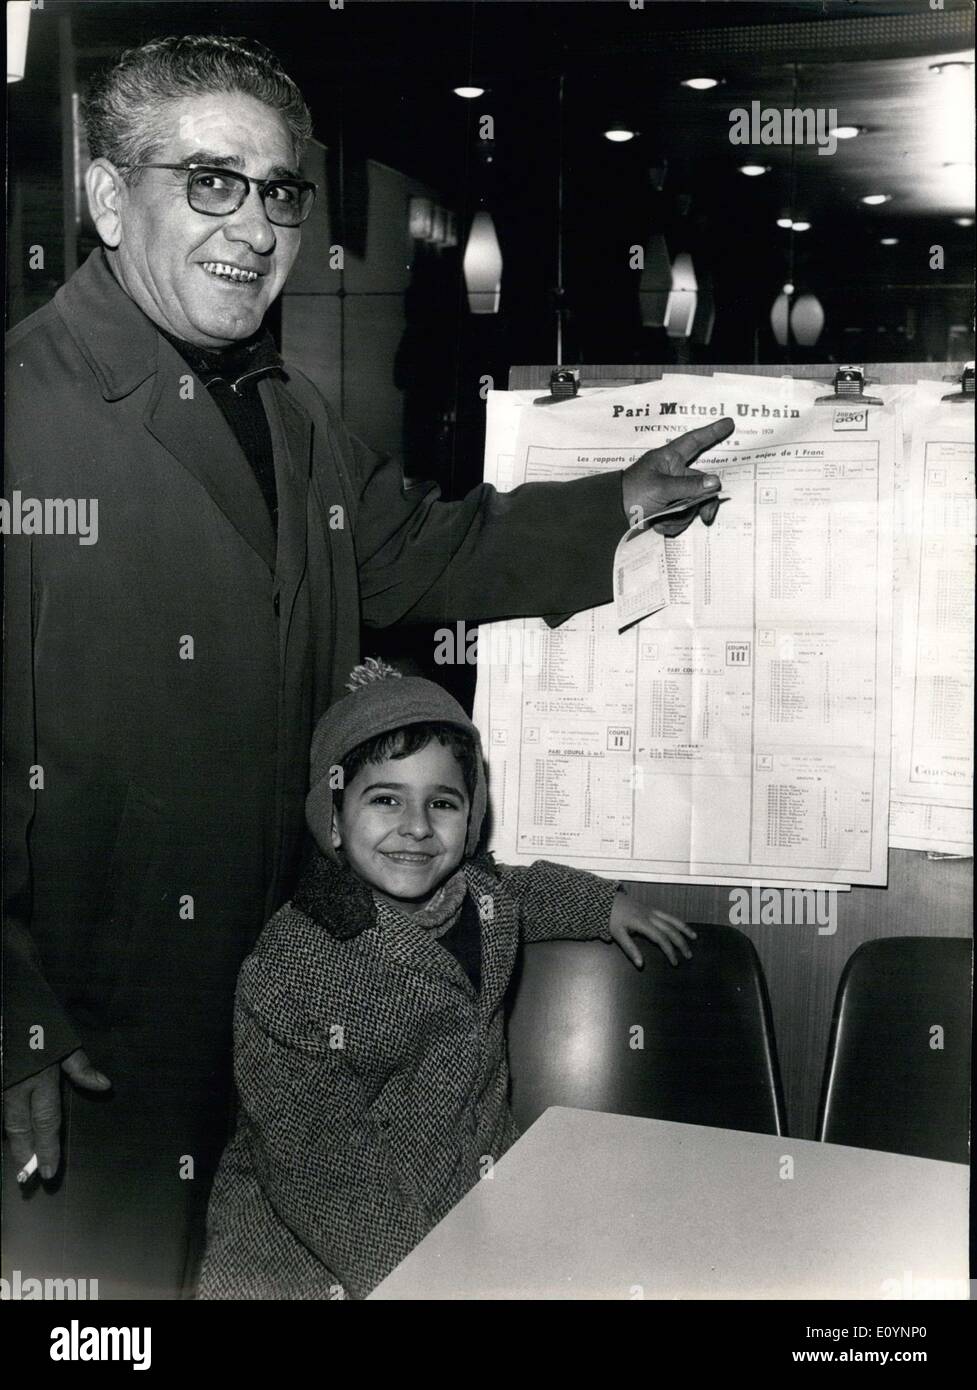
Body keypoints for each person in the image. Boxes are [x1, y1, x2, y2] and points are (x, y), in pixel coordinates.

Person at [2, 33, 731, 1299]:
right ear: (109, 198)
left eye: (281, 190)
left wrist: (614, 499)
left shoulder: (283, 412)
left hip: (267, 1018)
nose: (255, 224)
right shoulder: (26, 412)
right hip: (82, 1054)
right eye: (210, 180)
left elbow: (420, 554)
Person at [197, 660, 695, 1299]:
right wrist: (422, 1282)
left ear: (470, 820)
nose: (416, 826)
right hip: (313, 1258)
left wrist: (603, 905)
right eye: (385, 800)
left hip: (467, 1203)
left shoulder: (483, 898)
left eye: (442, 803)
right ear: (332, 818)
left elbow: (525, 890)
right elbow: (320, 1169)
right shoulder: (293, 966)